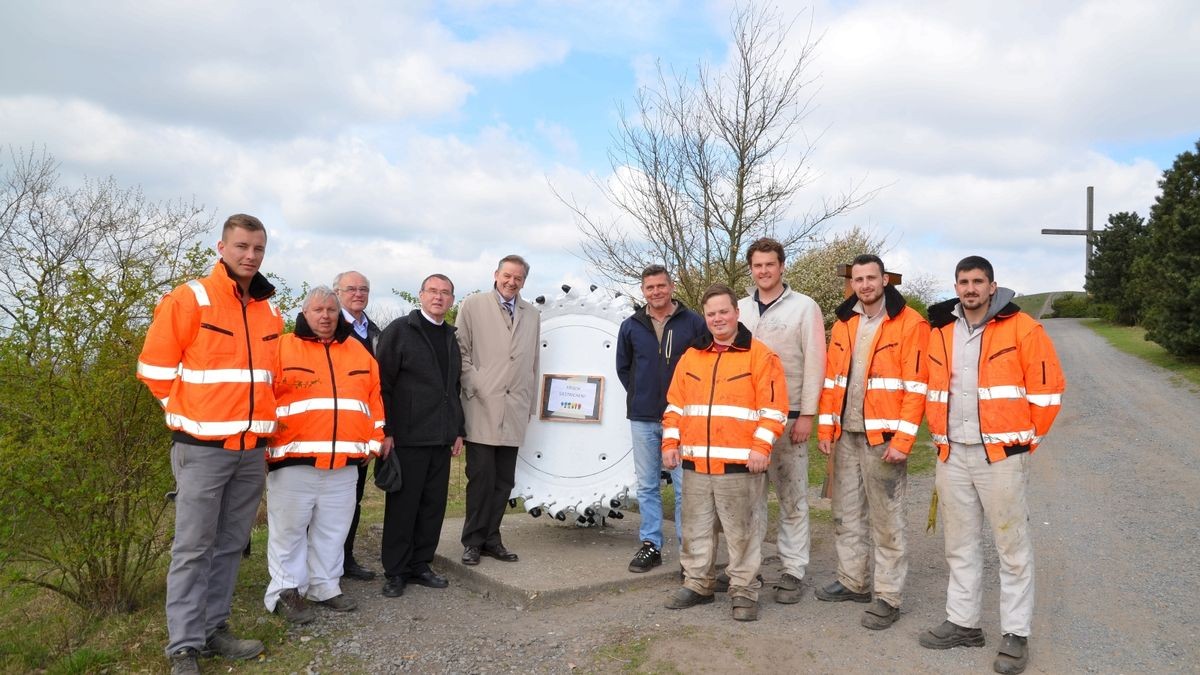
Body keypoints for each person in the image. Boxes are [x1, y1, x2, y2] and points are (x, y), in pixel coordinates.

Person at [137, 214, 282, 674]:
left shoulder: (269, 309)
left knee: (230, 544)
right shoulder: (191, 298)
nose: (250, 256)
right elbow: (155, 369)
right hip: (201, 448)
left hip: (250, 450)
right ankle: (184, 646)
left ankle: (214, 628)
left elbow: (270, 379)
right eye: (241, 247)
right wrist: (188, 415)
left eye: (258, 248)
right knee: (192, 547)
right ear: (221, 247)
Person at [918, 256, 1065, 675]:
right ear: (956, 286)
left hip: (1001, 457)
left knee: (1011, 548)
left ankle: (1016, 635)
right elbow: (932, 388)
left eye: (977, 282)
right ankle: (963, 623)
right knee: (959, 545)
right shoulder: (942, 332)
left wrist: (1024, 442)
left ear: (992, 285)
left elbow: (1049, 391)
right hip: (953, 455)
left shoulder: (1024, 329)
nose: (970, 289)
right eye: (963, 282)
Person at [813, 254, 930, 630]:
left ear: (885, 280)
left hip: (884, 439)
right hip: (847, 434)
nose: (864, 285)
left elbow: (917, 388)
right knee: (847, 513)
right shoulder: (845, 323)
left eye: (871, 278)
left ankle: (888, 596)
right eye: (858, 279)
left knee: (887, 520)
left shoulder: (911, 324)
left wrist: (904, 440)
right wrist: (826, 429)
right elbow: (833, 381)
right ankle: (853, 581)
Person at [661, 283, 787, 622]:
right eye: (711, 313)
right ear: (706, 317)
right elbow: (675, 405)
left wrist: (762, 447)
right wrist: (670, 443)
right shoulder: (691, 357)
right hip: (695, 463)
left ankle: (744, 590)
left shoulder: (760, 356)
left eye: (723, 311)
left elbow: (774, 409)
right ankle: (698, 583)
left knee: (742, 531)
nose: (718, 319)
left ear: (736, 313)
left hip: (739, 464)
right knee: (696, 529)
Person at [263, 287, 384, 623]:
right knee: (288, 531)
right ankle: (286, 592)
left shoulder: (359, 354)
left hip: (345, 464)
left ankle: (325, 586)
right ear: (305, 312)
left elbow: (375, 401)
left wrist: (374, 442)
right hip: (292, 461)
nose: (325, 316)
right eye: (318, 309)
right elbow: (264, 397)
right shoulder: (282, 348)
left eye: (331, 309)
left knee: (333, 530)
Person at [736, 238, 826, 603]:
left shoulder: (804, 308)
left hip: (789, 420)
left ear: (782, 266)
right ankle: (750, 566)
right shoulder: (740, 309)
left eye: (769, 264)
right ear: (751, 269)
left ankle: (792, 569)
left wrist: (807, 414)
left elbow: (815, 363)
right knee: (750, 499)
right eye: (757, 265)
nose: (763, 271)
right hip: (748, 421)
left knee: (792, 498)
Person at [377, 274, 466, 597]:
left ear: (452, 300)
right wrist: (386, 430)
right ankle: (396, 571)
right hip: (407, 436)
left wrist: (458, 430)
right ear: (421, 295)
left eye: (445, 293)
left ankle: (420, 565)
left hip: (441, 437)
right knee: (404, 507)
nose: (438, 297)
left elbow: (453, 388)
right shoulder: (400, 331)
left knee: (432, 506)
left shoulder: (450, 337)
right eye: (433, 291)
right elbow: (382, 383)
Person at [615, 265, 707, 573]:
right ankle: (651, 544)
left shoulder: (693, 322)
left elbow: (704, 365)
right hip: (642, 417)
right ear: (643, 290)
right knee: (647, 485)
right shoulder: (630, 326)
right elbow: (624, 368)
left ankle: (688, 549)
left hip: (682, 418)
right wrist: (642, 393)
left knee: (685, 487)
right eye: (650, 287)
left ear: (671, 287)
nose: (656, 292)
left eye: (661, 286)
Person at [456, 255, 540, 565]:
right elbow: (461, 350)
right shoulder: (473, 305)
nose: (511, 282)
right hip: (481, 404)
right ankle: (473, 541)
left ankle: (492, 537)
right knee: (480, 476)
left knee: (504, 480)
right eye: (507, 276)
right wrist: (474, 383)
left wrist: (529, 402)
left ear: (523, 282)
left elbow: (533, 362)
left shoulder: (532, 314)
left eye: (518, 278)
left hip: (515, 408)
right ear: (496, 274)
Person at [332, 270, 383, 582]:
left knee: (353, 497)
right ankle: (323, 563)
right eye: (351, 289)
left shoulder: (375, 333)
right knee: (325, 502)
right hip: (328, 430)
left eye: (363, 289)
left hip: (361, 433)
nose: (358, 294)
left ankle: (345, 558)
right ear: (337, 292)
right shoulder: (327, 327)